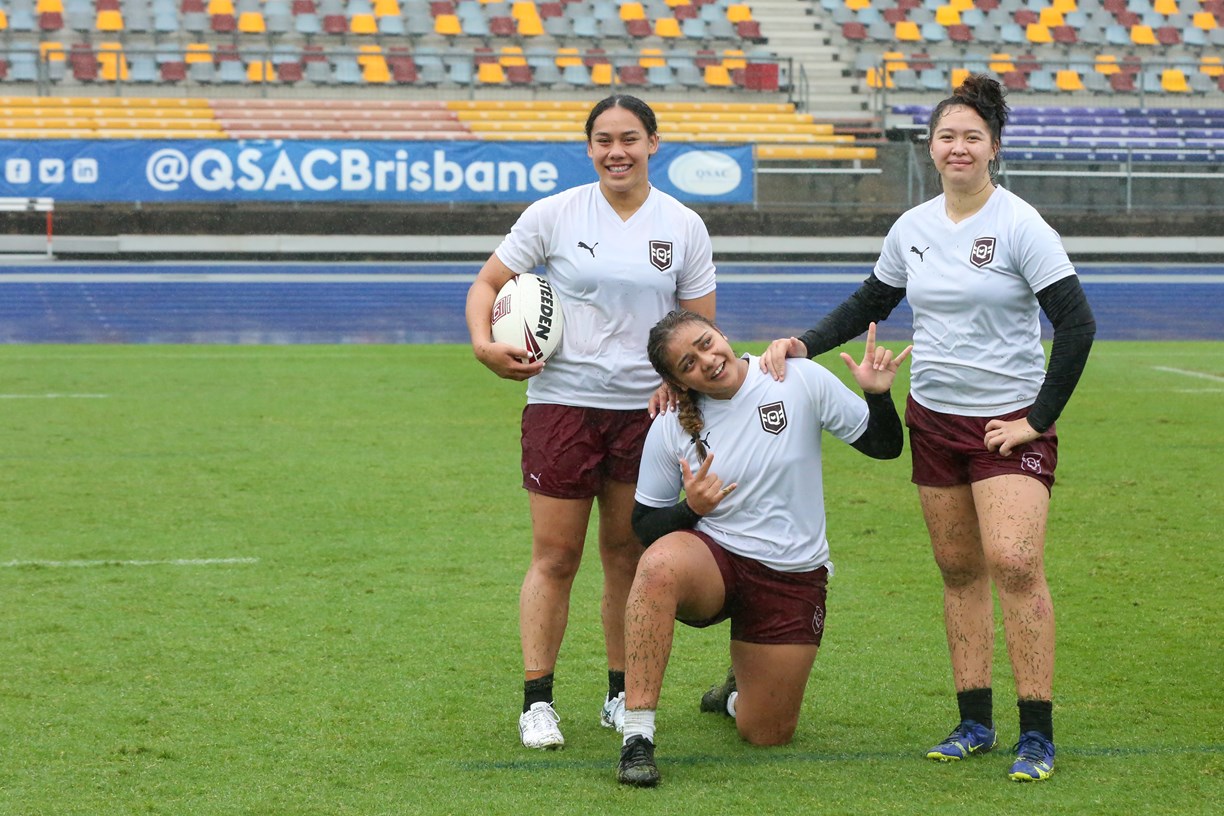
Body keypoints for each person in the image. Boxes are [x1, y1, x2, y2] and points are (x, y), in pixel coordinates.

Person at [746, 74, 1096, 782]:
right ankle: (974, 720)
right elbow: (871, 299)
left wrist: (1035, 419)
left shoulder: (1021, 225)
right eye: (947, 136)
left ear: (993, 146)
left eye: (972, 136)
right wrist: (802, 344)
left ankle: (1037, 732)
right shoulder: (913, 228)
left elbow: (1077, 324)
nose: (958, 147)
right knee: (959, 570)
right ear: (930, 148)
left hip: (1006, 426)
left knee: (1016, 564)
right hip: (934, 420)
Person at [465, 94, 718, 751]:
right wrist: (483, 345)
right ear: (588, 148)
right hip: (562, 405)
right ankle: (538, 703)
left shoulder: (682, 225)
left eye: (629, 138)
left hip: (647, 413)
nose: (617, 151)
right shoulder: (555, 213)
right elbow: (487, 284)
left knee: (626, 557)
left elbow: (700, 326)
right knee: (555, 557)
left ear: (653, 143)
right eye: (603, 139)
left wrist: (673, 384)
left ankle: (617, 695)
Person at [615, 310, 910, 787]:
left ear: (724, 334)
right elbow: (644, 524)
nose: (708, 361)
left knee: (766, 733)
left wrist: (878, 395)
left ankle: (735, 695)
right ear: (675, 381)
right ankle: (637, 737)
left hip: (792, 575)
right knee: (658, 567)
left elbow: (884, 446)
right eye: (688, 364)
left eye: (707, 343)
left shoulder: (797, 378)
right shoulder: (671, 424)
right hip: (716, 561)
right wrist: (691, 508)